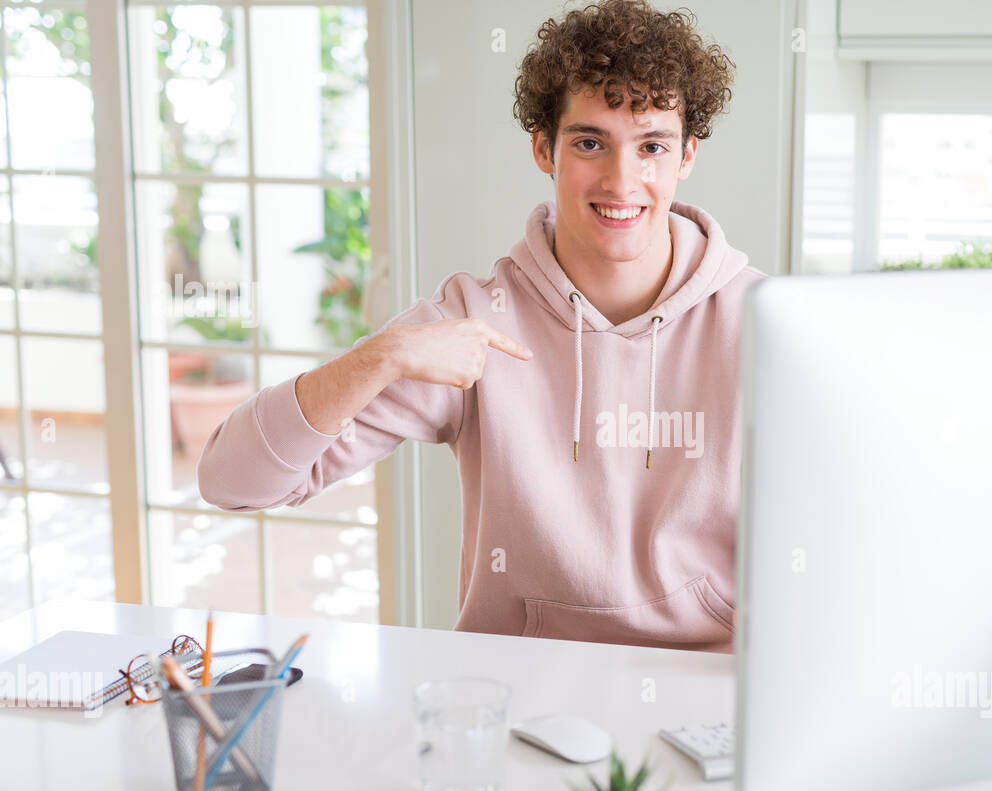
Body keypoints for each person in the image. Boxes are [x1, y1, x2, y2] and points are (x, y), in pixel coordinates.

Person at [198, 0, 763, 651]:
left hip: (703, 694)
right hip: (517, 687)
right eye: (589, 143)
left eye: (652, 146)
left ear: (687, 154)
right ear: (543, 148)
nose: (621, 178)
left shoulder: (762, 325)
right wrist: (379, 356)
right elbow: (229, 481)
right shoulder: (471, 321)